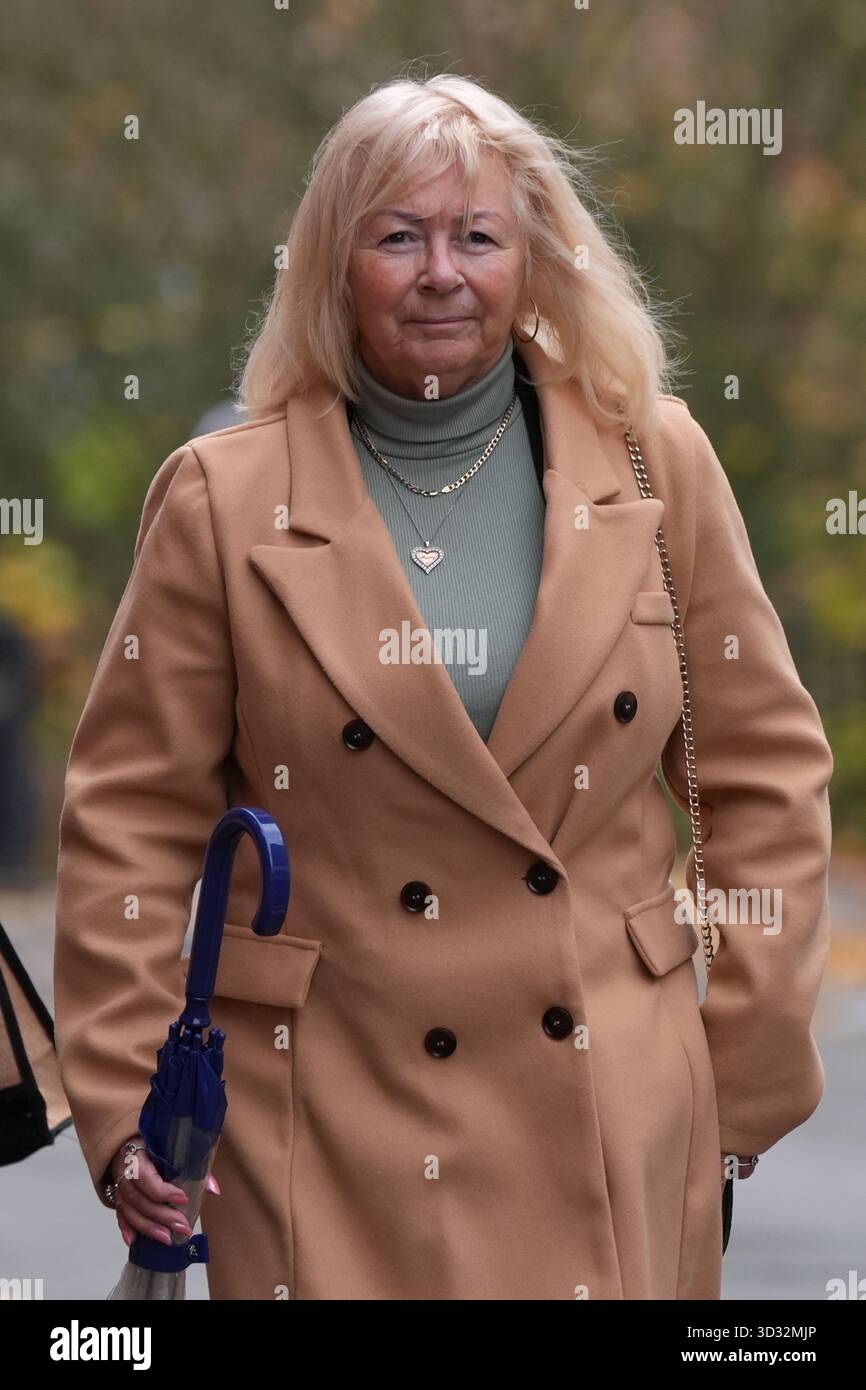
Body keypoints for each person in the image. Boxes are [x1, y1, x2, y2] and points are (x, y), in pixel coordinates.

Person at [53, 72, 833, 1300]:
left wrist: (738, 1067)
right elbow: (130, 825)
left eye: (476, 236)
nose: (439, 272)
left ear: (532, 259)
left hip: (611, 1104)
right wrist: (123, 1099)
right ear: (330, 261)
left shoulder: (652, 457)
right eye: (397, 235)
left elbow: (762, 776)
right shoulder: (221, 497)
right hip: (324, 1111)